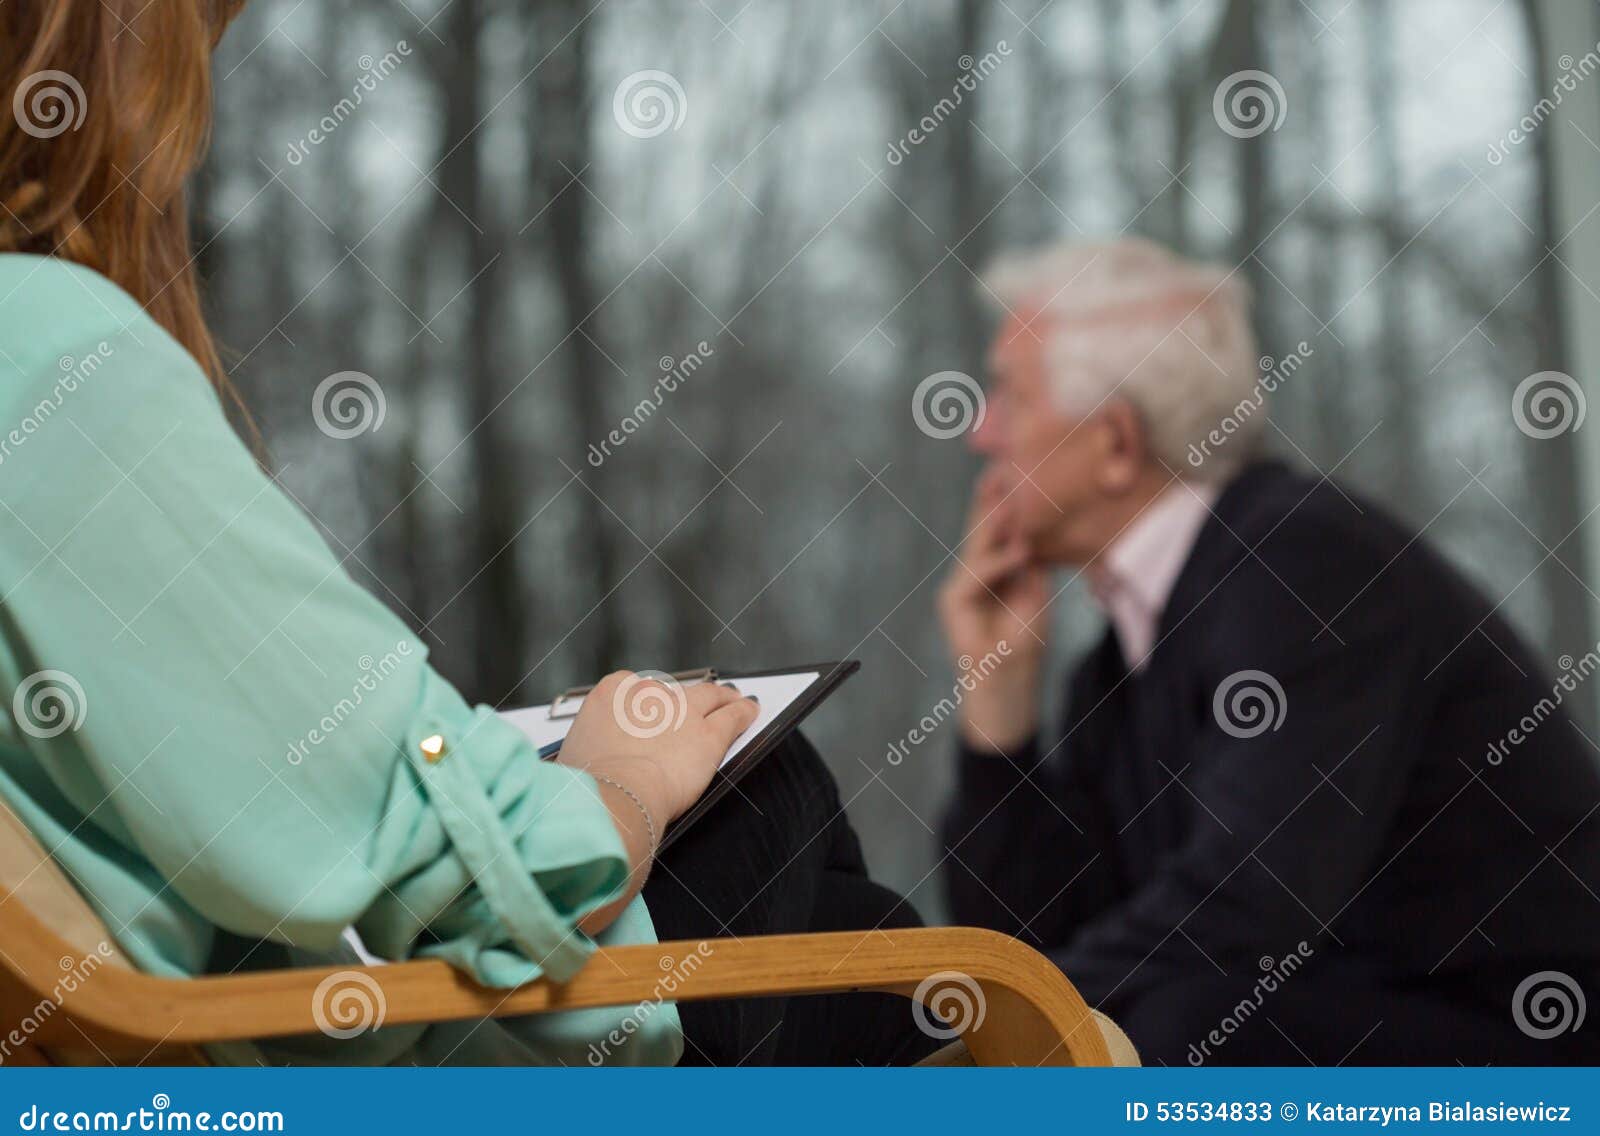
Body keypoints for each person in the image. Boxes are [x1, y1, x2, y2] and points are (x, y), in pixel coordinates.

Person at [0, 0, 932, 1067]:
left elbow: (312, 776)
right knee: (763, 775)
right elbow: (496, 872)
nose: (191, 110)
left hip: (199, 1068)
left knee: (861, 955)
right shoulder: (46, 351)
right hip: (420, 1091)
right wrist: (621, 782)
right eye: (186, 45)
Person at [937, 237, 1600, 1065]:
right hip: (1352, 1022)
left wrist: (987, 1039)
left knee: (1178, 1026)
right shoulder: (1115, 664)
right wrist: (998, 705)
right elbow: (1042, 942)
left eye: (1009, 394)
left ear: (1115, 443)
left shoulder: (1305, 563)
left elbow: (1250, 911)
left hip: (1528, 1046)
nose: (982, 432)